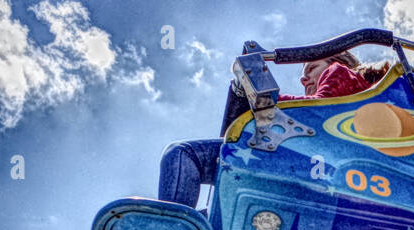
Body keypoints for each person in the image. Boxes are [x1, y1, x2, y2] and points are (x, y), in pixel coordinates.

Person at [157, 53, 388, 211]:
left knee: (184, 154)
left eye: (312, 68)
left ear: (339, 62)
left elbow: (315, 111)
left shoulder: (341, 73)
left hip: (298, 162)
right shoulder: (368, 109)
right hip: (330, 178)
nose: (303, 77)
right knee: (211, 214)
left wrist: (259, 97)